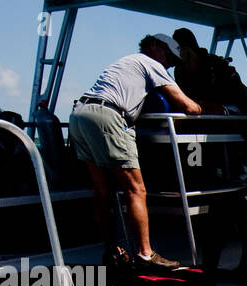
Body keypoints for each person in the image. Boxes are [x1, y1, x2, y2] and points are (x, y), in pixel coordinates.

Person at [71, 34, 201, 270]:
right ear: (154, 46)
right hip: (108, 116)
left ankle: (113, 251)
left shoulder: (124, 63)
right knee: (136, 189)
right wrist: (202, 107)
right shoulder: (150, 63)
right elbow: (187, 106)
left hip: (80, 113)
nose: (169, 64)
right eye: (169, 57)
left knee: (102, 189)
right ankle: (145, 254)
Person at [171, 28, 247, 116]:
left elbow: (241, 96)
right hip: (207, 114)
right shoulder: (180, 70)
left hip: (241, 108)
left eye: (178, 49)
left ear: (187, 49)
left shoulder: (215, 66)